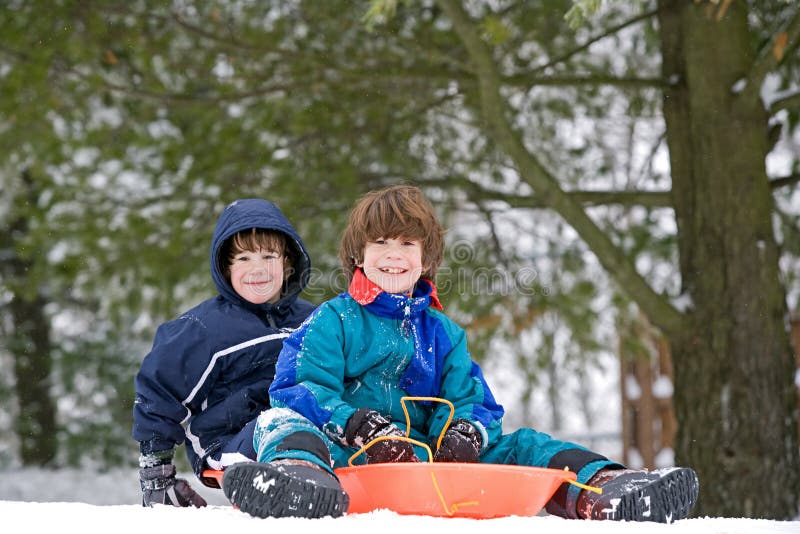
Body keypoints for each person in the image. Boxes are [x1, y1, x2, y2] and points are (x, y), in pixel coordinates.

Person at [221, 185, 699, 522]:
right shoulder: (334, 320)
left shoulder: (443, 332)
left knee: (525, 443)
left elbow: (474, 399)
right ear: (357, 255)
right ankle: (299, 483)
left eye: (407, 243)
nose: (394, 254)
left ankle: (609, 489)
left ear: (426, 258)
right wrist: (355, 423)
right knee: (277, 421)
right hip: (351, 456)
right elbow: (300, 387)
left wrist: (466, 428)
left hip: (429, 461)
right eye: (380, 243)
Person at [132, 198, 315, 508]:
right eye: (243, 258)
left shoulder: (314, 321)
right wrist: (157, 476)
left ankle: (329, 487)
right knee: (280, 423)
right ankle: (275, 489)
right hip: (229, 441)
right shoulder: (205, 329)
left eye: (269, 256)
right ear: (226, 268)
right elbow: (160, 392)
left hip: (307, 433)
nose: (257, 269)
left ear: (287, 263)